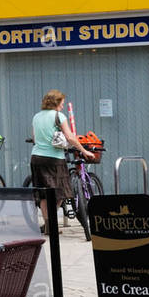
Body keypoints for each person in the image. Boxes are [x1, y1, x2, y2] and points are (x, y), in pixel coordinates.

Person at [30, 89, 95, 233]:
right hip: (54, 160)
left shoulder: (36, 116)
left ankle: (48, 225)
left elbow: (34, 138)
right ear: (56, 102)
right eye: (62, 103)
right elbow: (71, 137)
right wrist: (84, 151)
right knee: (60, 193)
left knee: (44, 194)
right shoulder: (59, 116)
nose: (63, 106)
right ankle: (52, 224)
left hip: (36, 158)